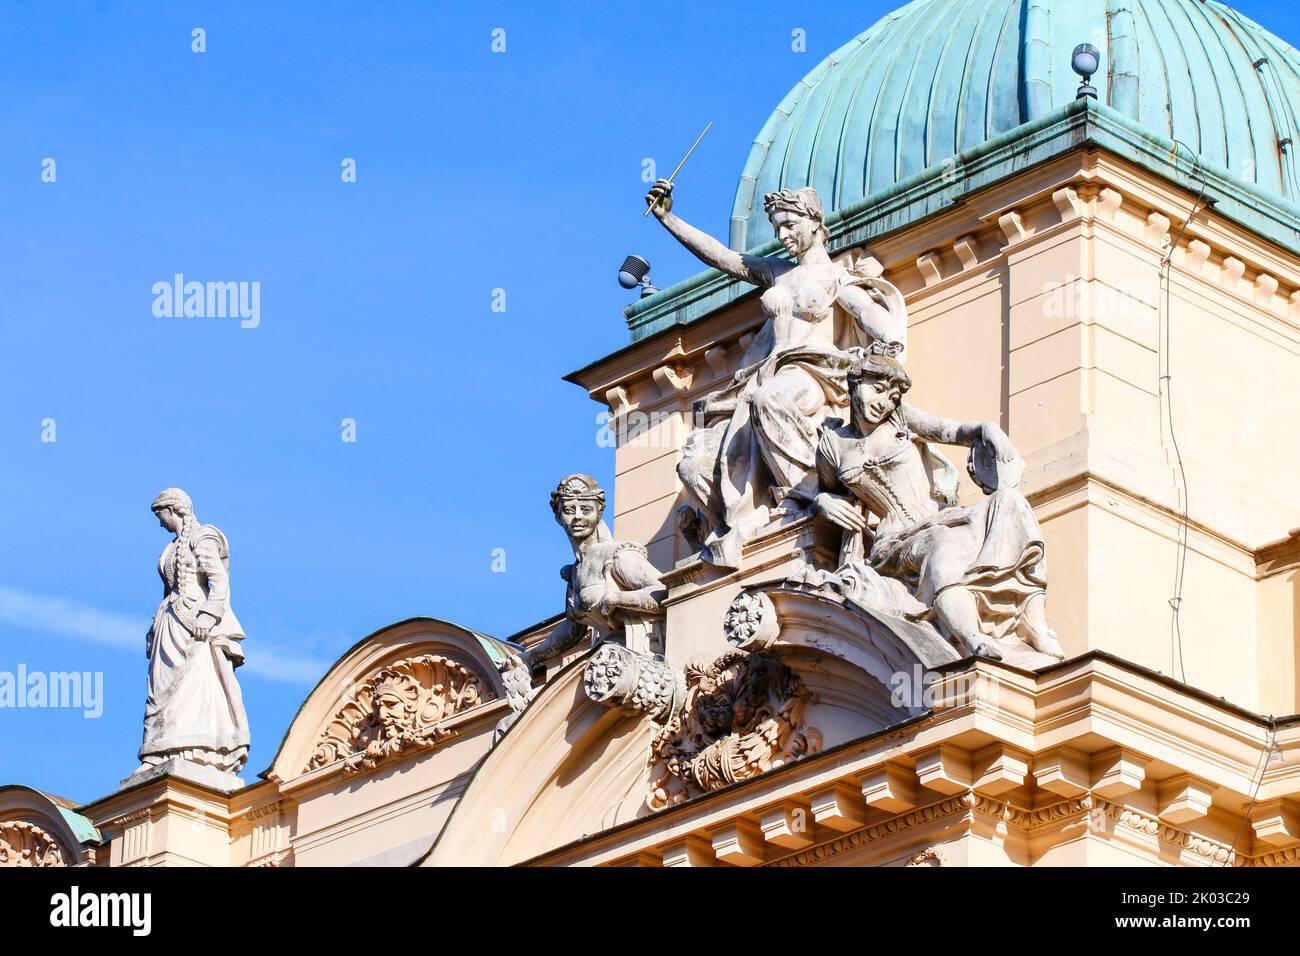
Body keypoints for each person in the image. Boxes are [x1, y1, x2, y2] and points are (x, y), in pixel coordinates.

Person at [646, 179, 908, 567]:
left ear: (814, 221)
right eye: (777, 228)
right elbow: (722, 257)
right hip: (765, 377)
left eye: (790, 225)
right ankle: (740, 525)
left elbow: (878, 322)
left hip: (809, 373)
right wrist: (668, 218)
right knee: (696, 465)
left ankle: (805, 496)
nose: (783, 235)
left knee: (769, 399)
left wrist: (887, 351)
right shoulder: (779, 274)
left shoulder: (837, 279)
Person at [813, 355, 1065, 662]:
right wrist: (823, 502)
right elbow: (827, 491)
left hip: (939, 519)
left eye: (892, 397)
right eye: (877, 389)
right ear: (855, 383)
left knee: (1011, 502)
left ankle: (1033, 623)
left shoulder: (901, 420)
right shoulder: (833, 445)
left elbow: (956, 432)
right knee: (941, 547)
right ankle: (971, 641)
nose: (883, 403)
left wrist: (988, 430)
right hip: (896, 543)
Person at [135, 488, 250, 776]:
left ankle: (193, 749)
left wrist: (208, 616)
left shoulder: (203, 537)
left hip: (196, 627)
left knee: (194, 690)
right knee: (160, 689)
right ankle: (157, 750)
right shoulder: (170, 548)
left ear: (174, 510)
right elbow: (169, 589)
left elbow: (219, 583)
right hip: (170, 623)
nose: (160, 523)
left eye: (160, 515)